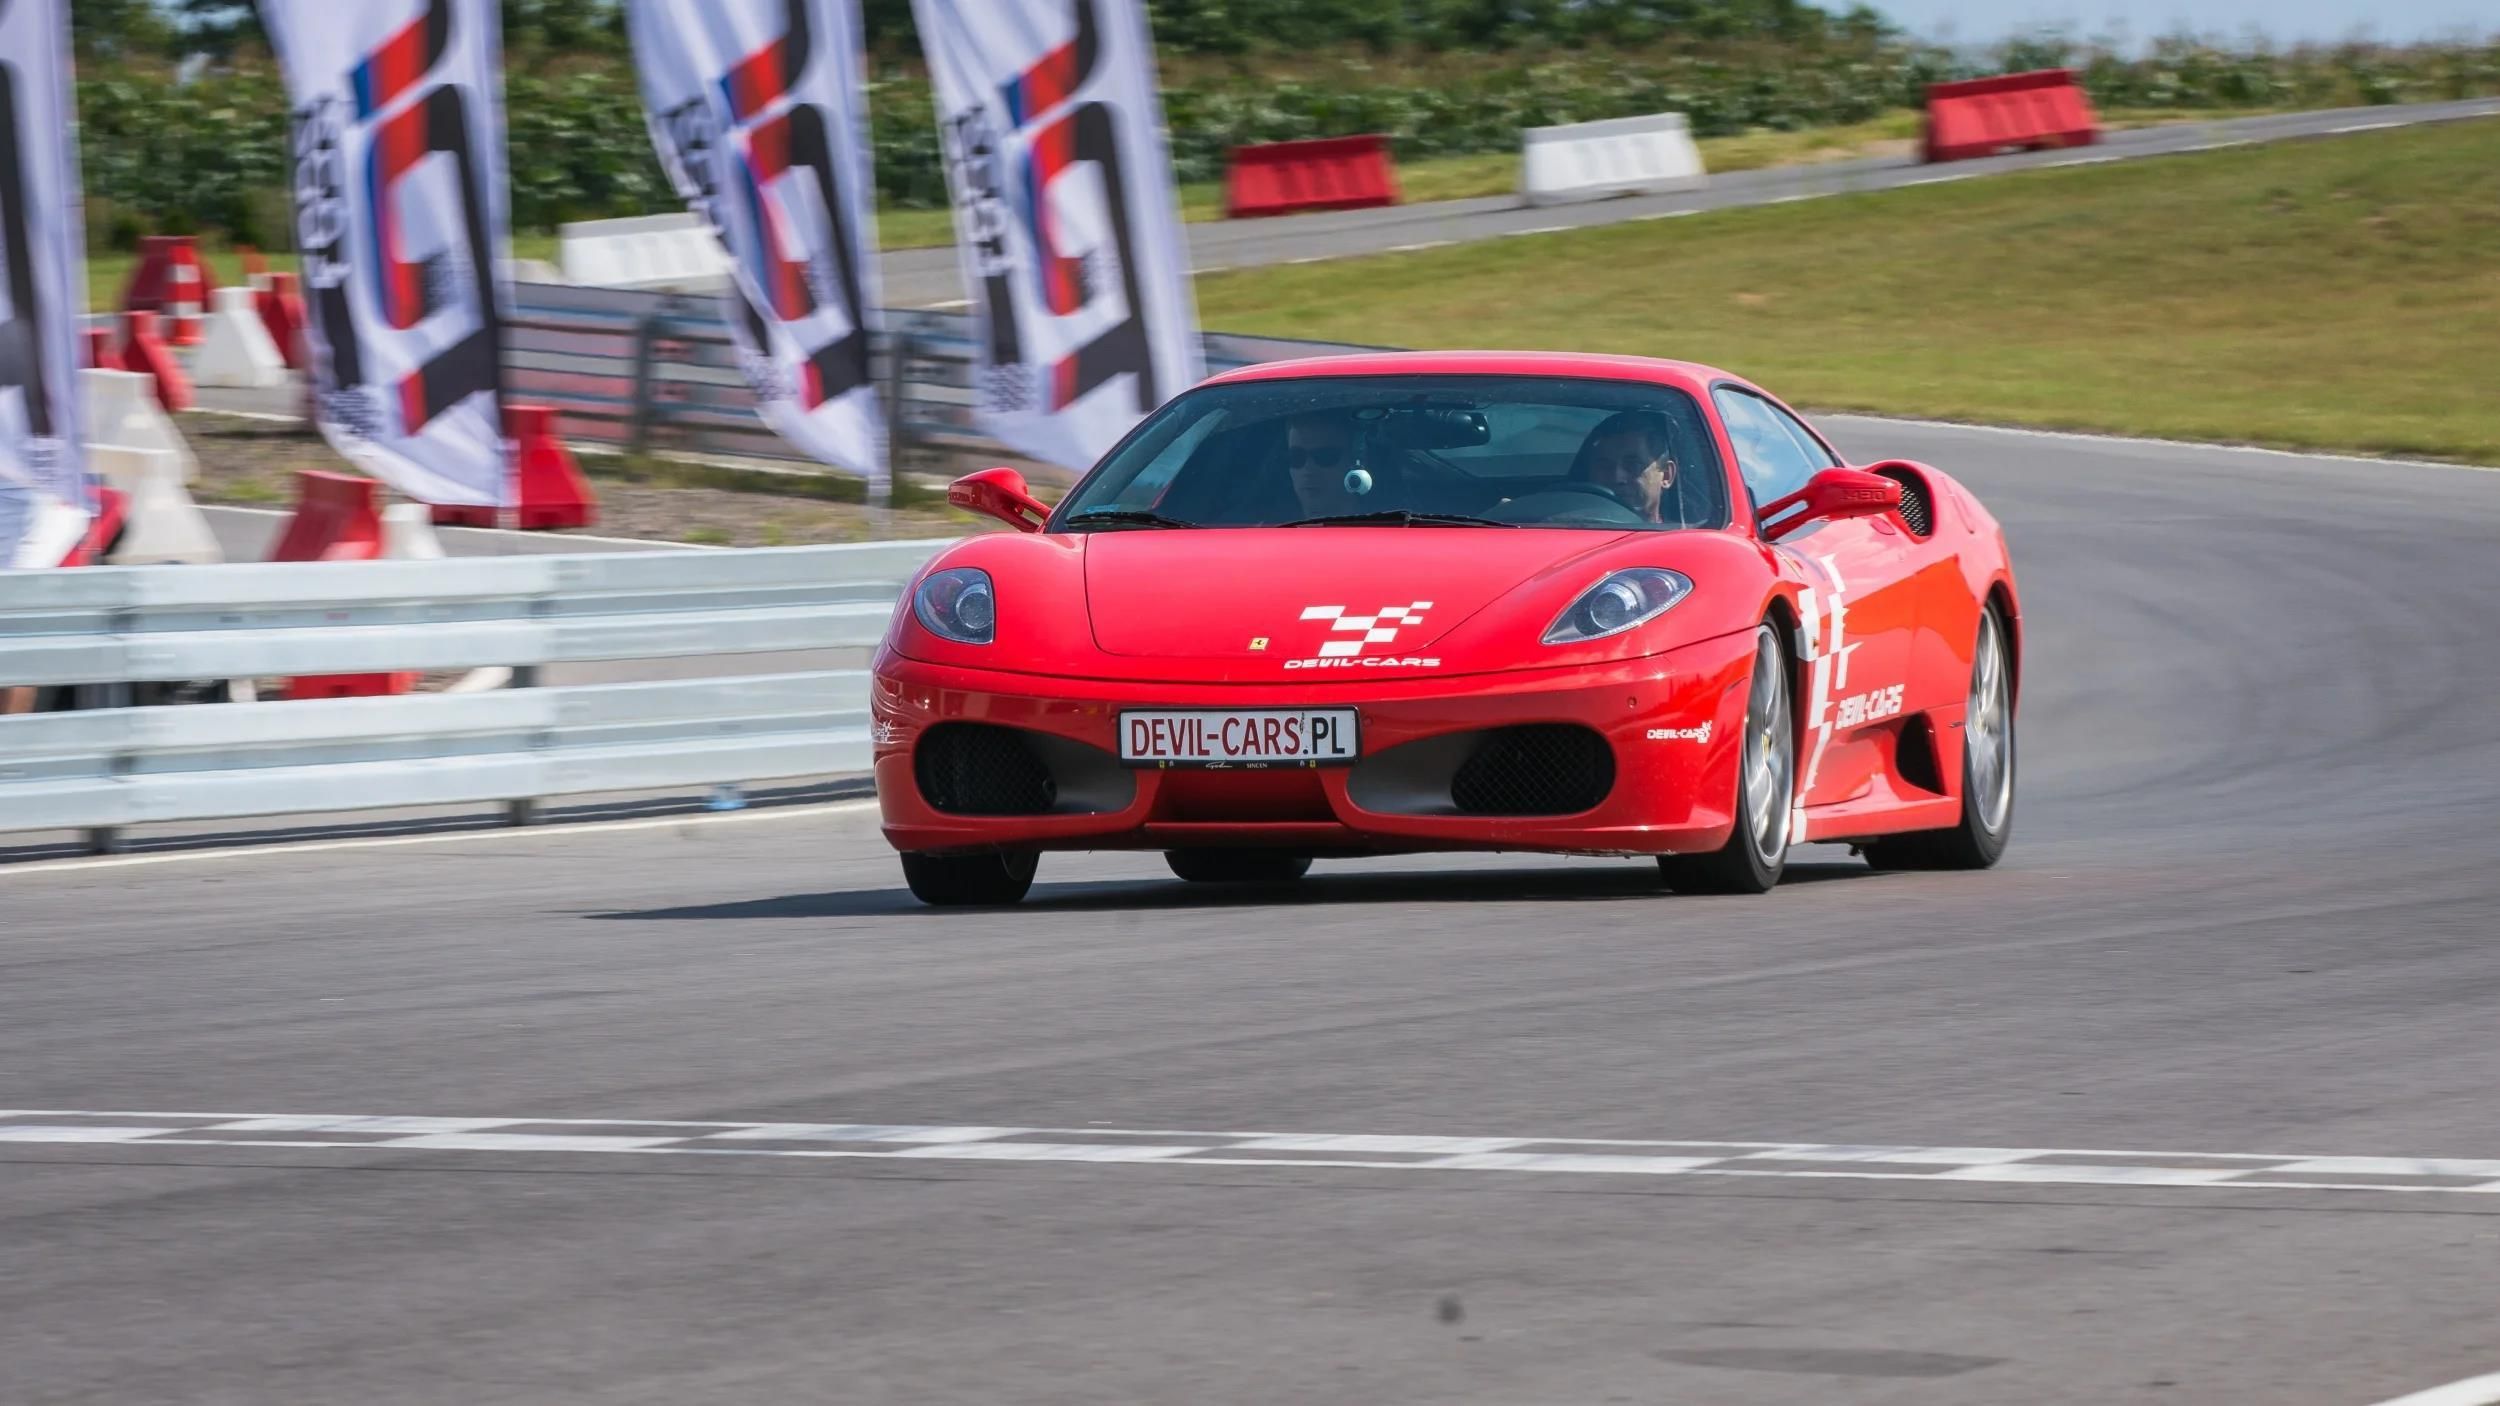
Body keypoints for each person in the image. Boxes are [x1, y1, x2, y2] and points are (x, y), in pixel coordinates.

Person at [1568, 410, 1678, 523]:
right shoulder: (1560, 530)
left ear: (1666, 475)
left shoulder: (1683, 538)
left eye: (1633, 465)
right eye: (1604, 466)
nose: (1617, 478)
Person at [1282, 410, 1388, 519]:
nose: (1308, 469)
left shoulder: (1388, 527)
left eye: (1324, 457)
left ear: (1354, 462)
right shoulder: (1267, 527)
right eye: (1297, 457)